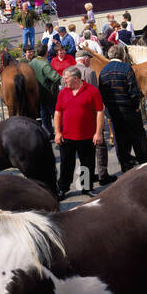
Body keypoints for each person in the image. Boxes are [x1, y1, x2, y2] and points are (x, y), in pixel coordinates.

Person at [54, 65, 105, 200]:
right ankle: (63, 188)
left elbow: (100, 112)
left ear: (76, 78)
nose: (64, 81)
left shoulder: (92, 91)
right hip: (67, 137)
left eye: (67, 79)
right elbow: (58, 113)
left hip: (87, 136)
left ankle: (87, 188)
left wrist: (98, 133)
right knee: (66, 164)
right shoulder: (63, 93)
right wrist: (57, 132)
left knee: (87, 163)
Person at [98, 46, 147, 172]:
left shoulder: (103, 71)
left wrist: (109, 111)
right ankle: (144, 162)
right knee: (138, 136)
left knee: (120, 138)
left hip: (113, 111)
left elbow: (102, 93)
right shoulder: (126, 68)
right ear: (122, 56)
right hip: (128, 109)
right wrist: (136, 107)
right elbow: (133, 90)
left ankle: (125, 164)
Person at [74, 49, 115, 185]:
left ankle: (86, 180)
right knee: (99, 146)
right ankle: (103, 175)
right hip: (90, 116)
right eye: (89, 60)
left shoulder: (67, 72)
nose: (90, 62)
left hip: (75, 118)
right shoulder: (89, 72)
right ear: (85, 59)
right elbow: (94, 95)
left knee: (83, 150)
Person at [27, 44, 61, 136]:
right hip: (49, 92)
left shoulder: (31, 62)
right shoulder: (44, 64)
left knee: (44, 114)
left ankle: (47, 133)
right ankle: (59, 132)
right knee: (54, 113)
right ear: (46, 52)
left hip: (38, 93)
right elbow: (55, 77)